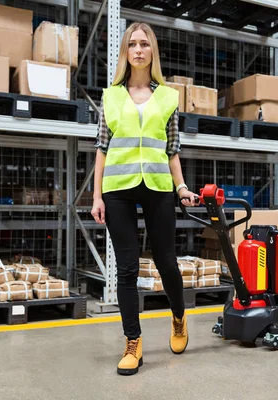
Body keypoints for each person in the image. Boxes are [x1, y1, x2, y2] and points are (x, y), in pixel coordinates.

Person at [91, 22, 197, 376]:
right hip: (118, 188)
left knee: (167, 261)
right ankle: (133, 343)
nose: (138, 50)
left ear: (152, 52)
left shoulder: (168, 97)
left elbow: (172, 150)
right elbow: (102, 148)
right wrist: (96, 196)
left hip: (156, 185)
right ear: (125, 52)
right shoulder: (111, 96)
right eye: (132, 44)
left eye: (144, 44)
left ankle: (179, 318)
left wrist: (181, 188)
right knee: (127, 267)